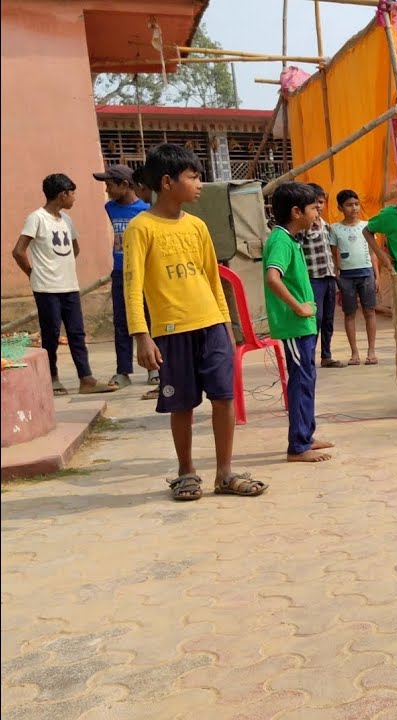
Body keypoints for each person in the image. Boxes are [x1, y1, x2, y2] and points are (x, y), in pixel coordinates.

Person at [124, 143, 260, 499]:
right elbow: (132, 286)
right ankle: (186, 472)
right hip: (170, 332)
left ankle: (225, 473)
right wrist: (142, 335)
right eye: (193, 177)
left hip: (211, 325)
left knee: (223, 397)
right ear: (168, 182)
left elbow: (212, 279)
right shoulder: (141, 228)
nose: (200, 184)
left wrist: (227, 325)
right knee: (181, 404)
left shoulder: (198, 226)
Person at [13, 174, 116, 396]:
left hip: (69, 286)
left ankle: (85, 378)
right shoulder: (37, 218)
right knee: (50, 334)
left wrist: (62, 267)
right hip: (46, 288)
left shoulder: (67, 221)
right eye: (72, 193)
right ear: (62, 194)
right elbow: (18, 251)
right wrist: (33, 273)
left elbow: (74, 248)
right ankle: (51, 377)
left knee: (77, 333)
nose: (74, 198)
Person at [264, 182, 333, 464]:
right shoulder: (280, 240)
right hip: (293, 324)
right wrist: (298, 307)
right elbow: (272, 278)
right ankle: (297, 445)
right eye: (314, 208)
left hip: (302, 325)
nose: (317, 213)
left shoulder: (291, 238)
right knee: (301, 382)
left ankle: (306, 435)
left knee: (307, 379)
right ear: (296, 212)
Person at [95, 164, 150, 388]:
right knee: (121, 322)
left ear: (125, 185)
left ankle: (154, 368)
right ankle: (123, 370)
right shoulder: (110, 208)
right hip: (120, 272)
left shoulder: (146, 209)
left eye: (109, 185)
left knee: (148, 320)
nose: (107, 190)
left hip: (144, 273)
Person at [328, 189, 379, 364]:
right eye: (349, 205)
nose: (354, 208)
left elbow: (373, 254)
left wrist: (376, 276)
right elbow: (335, 256)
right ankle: (354, 353)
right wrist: (337, 278)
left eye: (356, 204)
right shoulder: (334, 229)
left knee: (369, 312)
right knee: (349, 314)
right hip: (346, 277)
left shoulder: (368, 226)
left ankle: (371, 352)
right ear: (340, 207)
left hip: (366, 274)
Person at [299, 184, 342, 368]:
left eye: (321, 204)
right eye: (315, 205)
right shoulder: (304, 228)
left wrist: (336, 273)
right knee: (315, 318)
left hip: (328, 276)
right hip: (313, 277)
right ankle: (308, 356)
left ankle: (326, 355)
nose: (319, 208)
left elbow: (331, 252)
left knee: (328, 318)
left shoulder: (325, 225)